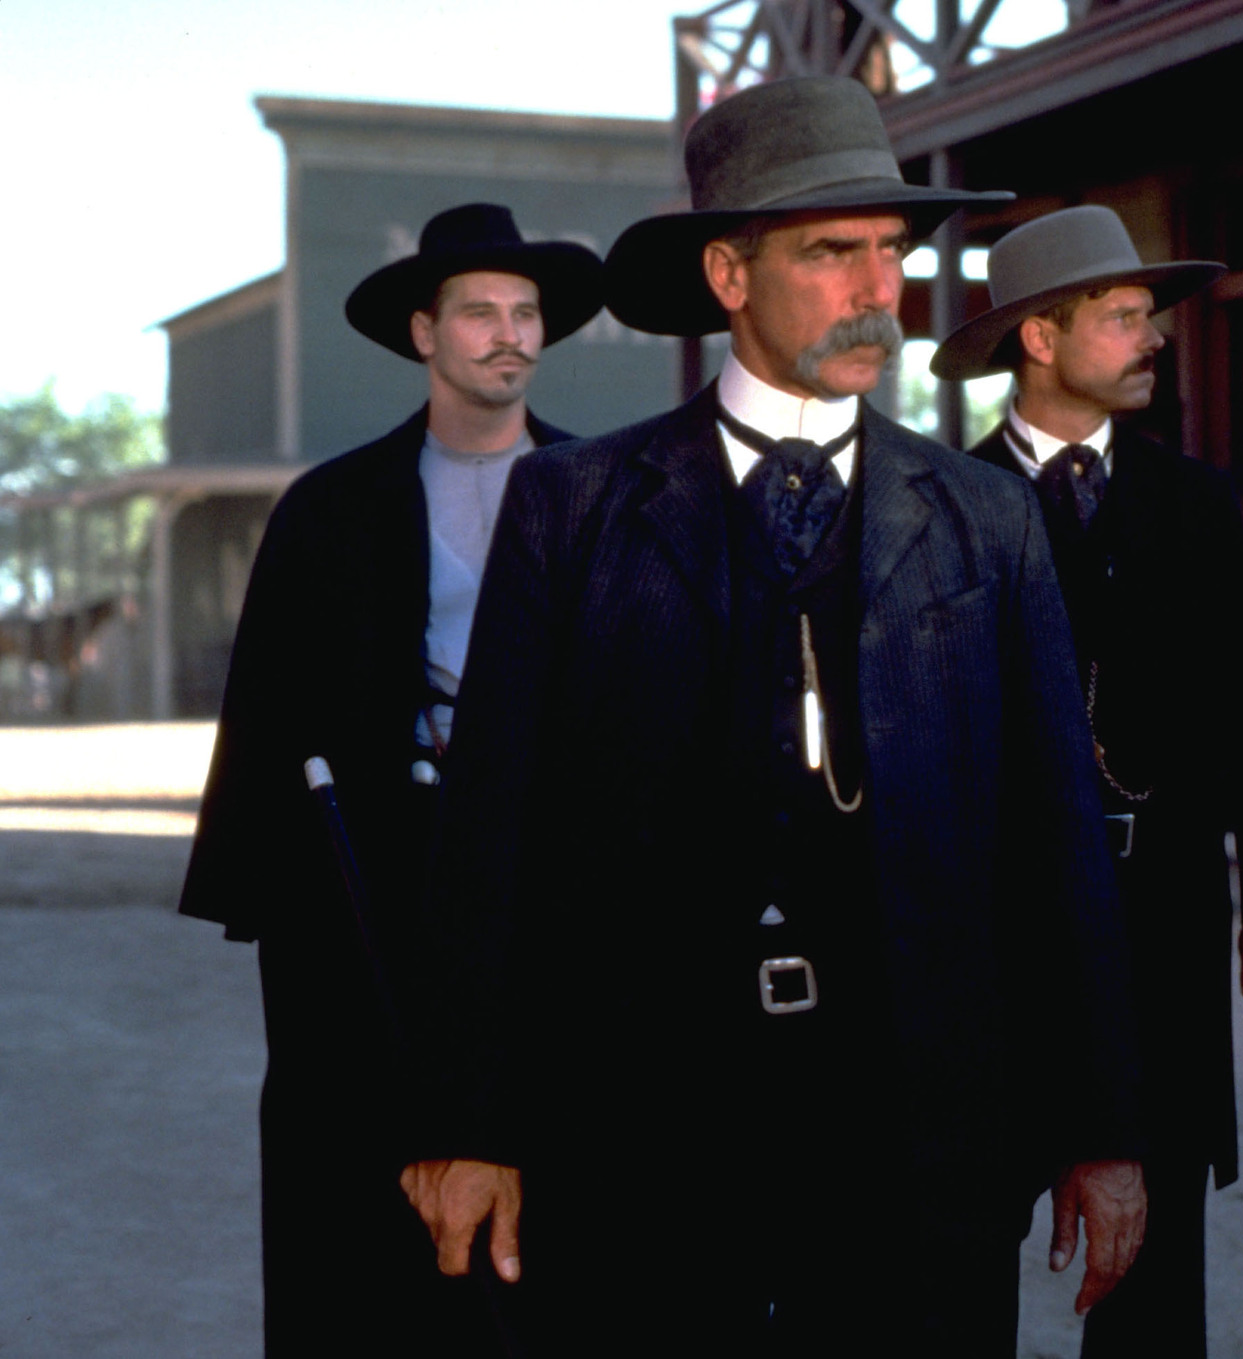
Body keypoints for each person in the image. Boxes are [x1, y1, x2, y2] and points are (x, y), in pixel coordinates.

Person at [399, 77, 1146, 1356]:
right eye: (829, 253)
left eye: (891, 254)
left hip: (918, 1131)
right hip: (644, 1125)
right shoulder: (573, 506)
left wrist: (1101, 1130)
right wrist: (468, 1124)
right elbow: (491, 834)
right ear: (729, 276)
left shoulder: (982, 517)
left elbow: (1056, 840)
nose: (876, 291)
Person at [179, 202, 605, 1355]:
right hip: (373, 885)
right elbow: (269, 721)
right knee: (360, 1220)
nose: (507, 335)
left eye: (525, 314)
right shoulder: (334, 508)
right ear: (425, 333)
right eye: (479, 313)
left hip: (546, 886)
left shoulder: (600, 496)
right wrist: (282, 915)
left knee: (552, 1218)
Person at [932, 204, 1243, 1358]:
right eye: (1121, 319)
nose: (1151, 338)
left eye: (1147, 317)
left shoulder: (1199, 505)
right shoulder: (932, 509)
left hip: (1157, 927)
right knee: (957, 1260)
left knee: (1153, 1278)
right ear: (1039, 339)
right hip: (984, 936)